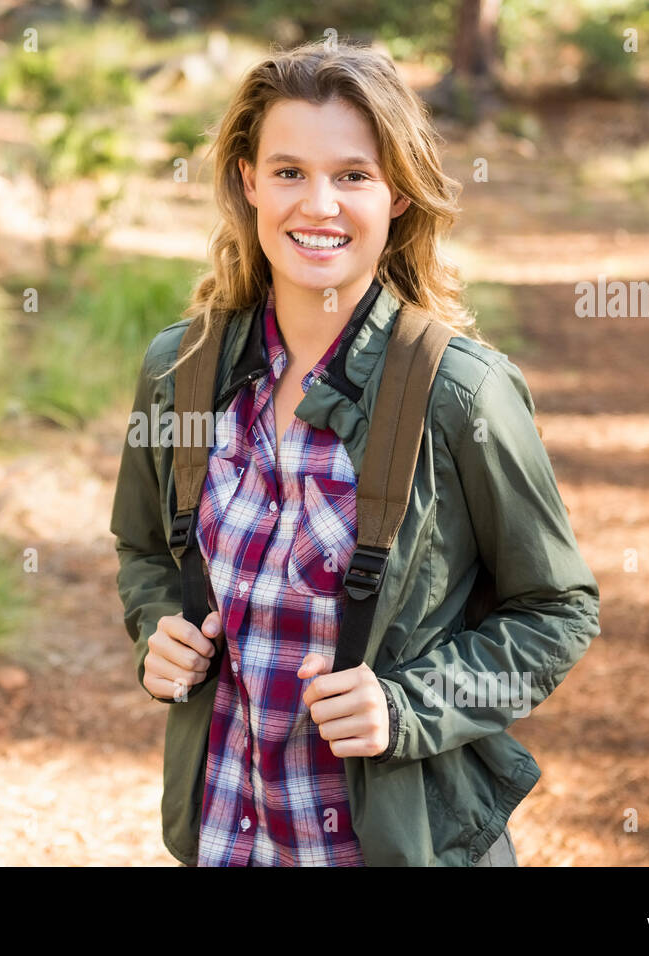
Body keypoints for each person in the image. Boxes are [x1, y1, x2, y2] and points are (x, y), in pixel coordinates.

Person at [109, 40, 600, 866]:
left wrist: (408, 707)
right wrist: (156, 627)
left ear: (398, 193)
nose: (319, 205)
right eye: (290, 171)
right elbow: (143, 548)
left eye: (354, 175)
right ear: (247, 181)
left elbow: (557, 611)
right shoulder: (178, 373)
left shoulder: (462, 393)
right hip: (228, 837)